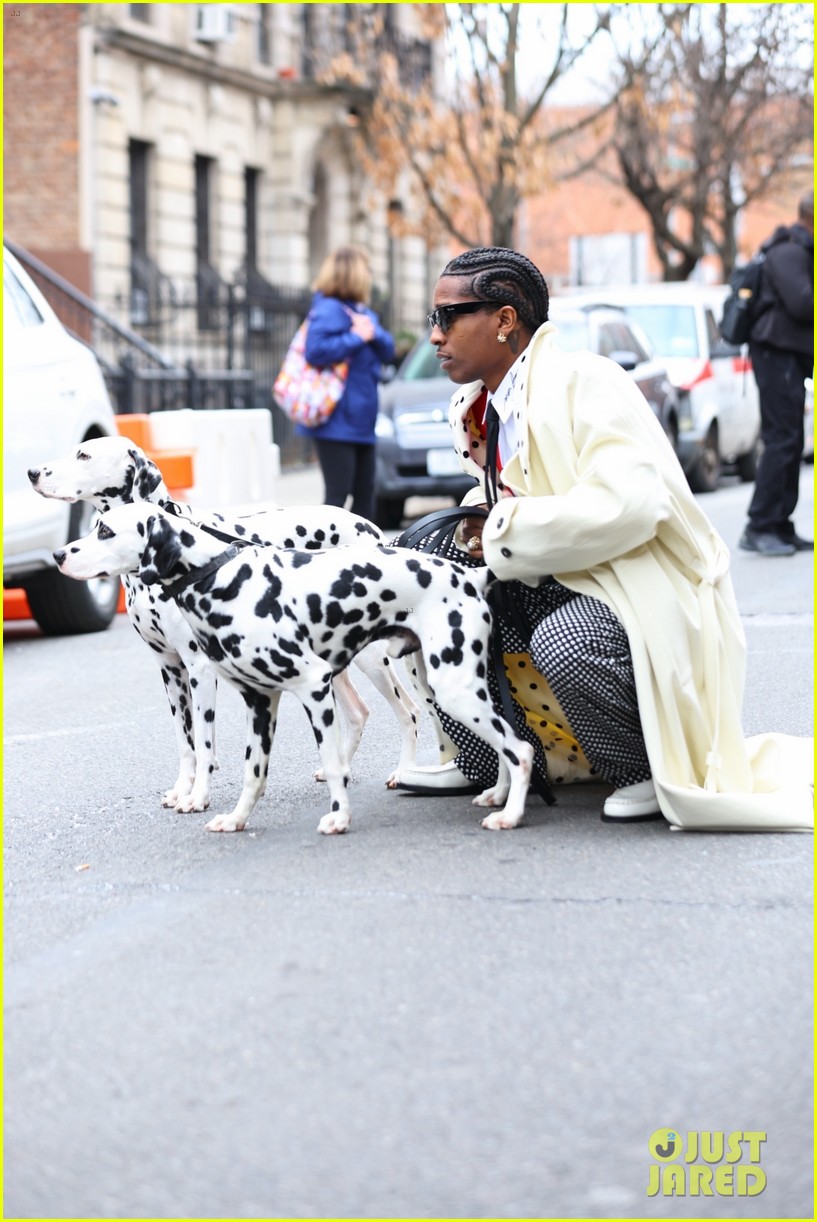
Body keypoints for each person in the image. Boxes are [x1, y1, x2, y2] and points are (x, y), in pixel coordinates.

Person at [397, 247, 812, 831]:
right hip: (562, 574)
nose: (434, 336)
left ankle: (640, 766)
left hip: (632, 588)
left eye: (447, 317)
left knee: (567, 641)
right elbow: (520, 496)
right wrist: (474, 524)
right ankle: (487, 755)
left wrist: (500, 528)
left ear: (504, 320)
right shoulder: (480, 405)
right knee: (422, 575)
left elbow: (632, 504)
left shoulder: (585, 381)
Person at [740, 190, 814, 556]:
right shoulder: (787, 251)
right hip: (775, 355)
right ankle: (759, 525)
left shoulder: (800, 251)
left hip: (789, 358)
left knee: (793, 440)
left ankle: (781, 523)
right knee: (781, 438)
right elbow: (803, 302)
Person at [301, 246, 395, 521]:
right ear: (353, 273)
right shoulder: (328, 309)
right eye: (367, 270)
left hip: (362, 419)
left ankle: (363, 555)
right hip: (336, 421)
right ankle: (321, 554)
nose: (370, 276)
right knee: (337, 496)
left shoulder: (361, 311)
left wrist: (371, 331)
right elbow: (314, 350)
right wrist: (356, 336)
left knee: (366, 495)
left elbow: (388, 350)